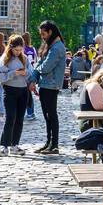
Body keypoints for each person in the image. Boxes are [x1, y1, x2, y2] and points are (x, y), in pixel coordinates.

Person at [33, 21, 68, 153]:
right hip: (45, 84)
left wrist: (36, 72)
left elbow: (46, 66)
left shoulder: (57, 47)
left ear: (50, 32)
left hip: (51, 85)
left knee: (51, 115)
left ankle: (54, 145)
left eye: (44, 33)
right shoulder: (51, 46)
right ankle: (49, 142)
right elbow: (41, 62)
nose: (42, 36)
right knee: (47, 115)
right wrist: (36, 73)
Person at [0, 34, 31, 156]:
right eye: (16, 50)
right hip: (9, 90)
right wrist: (13, 73)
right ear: (11, 48)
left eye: (20, 50)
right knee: (10, 118)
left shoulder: (25, 58)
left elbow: (30, 73)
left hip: (23, 91)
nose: (18, 52)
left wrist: (26, 73)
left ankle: (15, 144)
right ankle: (4, 145)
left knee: (20, 119)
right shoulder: (5, 59)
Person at [22, 32, 38, 121]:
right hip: (31, 72)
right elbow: (35, 61)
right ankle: (31, 112)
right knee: (29, 94)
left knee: (24, 94)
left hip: (23, 73)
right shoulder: (33, 49)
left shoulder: (22, 49)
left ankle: (26, 112)